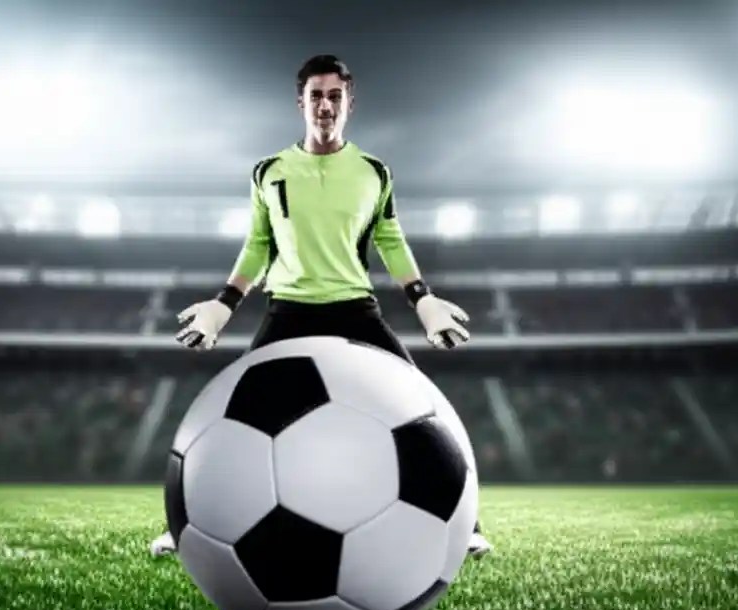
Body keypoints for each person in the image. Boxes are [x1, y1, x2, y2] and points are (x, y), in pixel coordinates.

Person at [151, 54, 492, 558]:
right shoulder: (269, 172)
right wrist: (224, 304)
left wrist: (423, 300)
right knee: (231, 418)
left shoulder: (374, 172)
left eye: (335, 96)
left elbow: (390, 239)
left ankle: (468, 527)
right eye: (316, 96)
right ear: (300, 103)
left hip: (355, 310)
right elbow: (258, 244)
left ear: (350, 102)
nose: (325, 106)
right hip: (288, 310)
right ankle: (185, 525)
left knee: (422, 413)